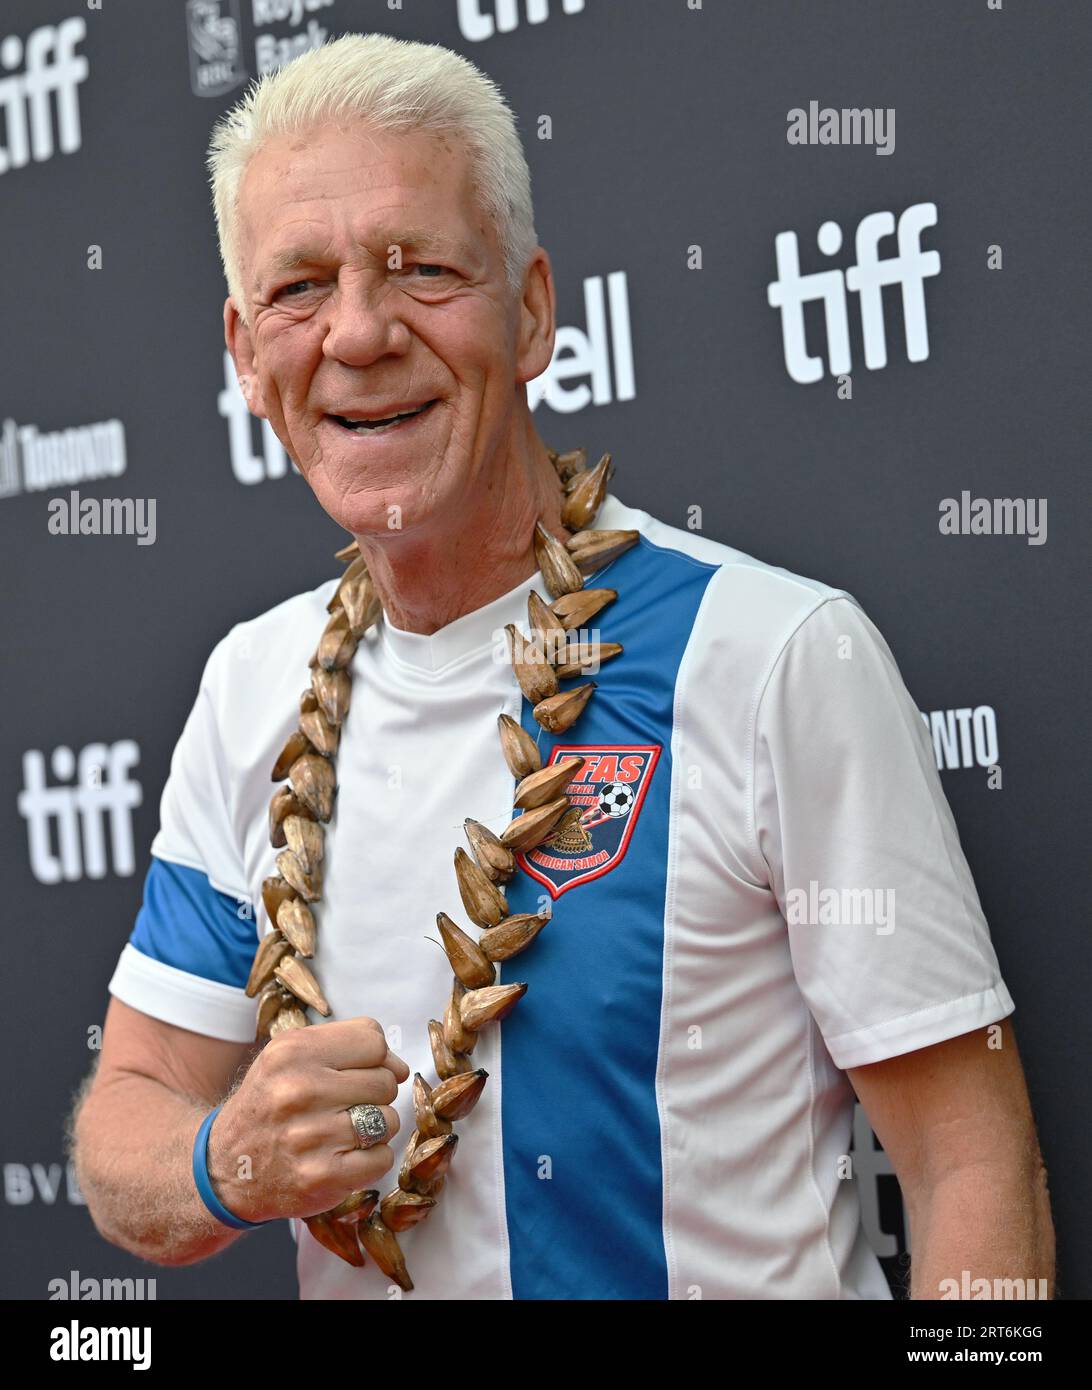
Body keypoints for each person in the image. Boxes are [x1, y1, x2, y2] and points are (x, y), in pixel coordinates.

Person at [70, 32, 1054, 1300]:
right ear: (246, 355)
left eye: (419, 267)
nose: (358, 332)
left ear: (531, 311)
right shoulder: (250, 683)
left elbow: (971, 1163)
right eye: (298, 288)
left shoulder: (772, 654)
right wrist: (224, 1162)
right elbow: (128, 1121)